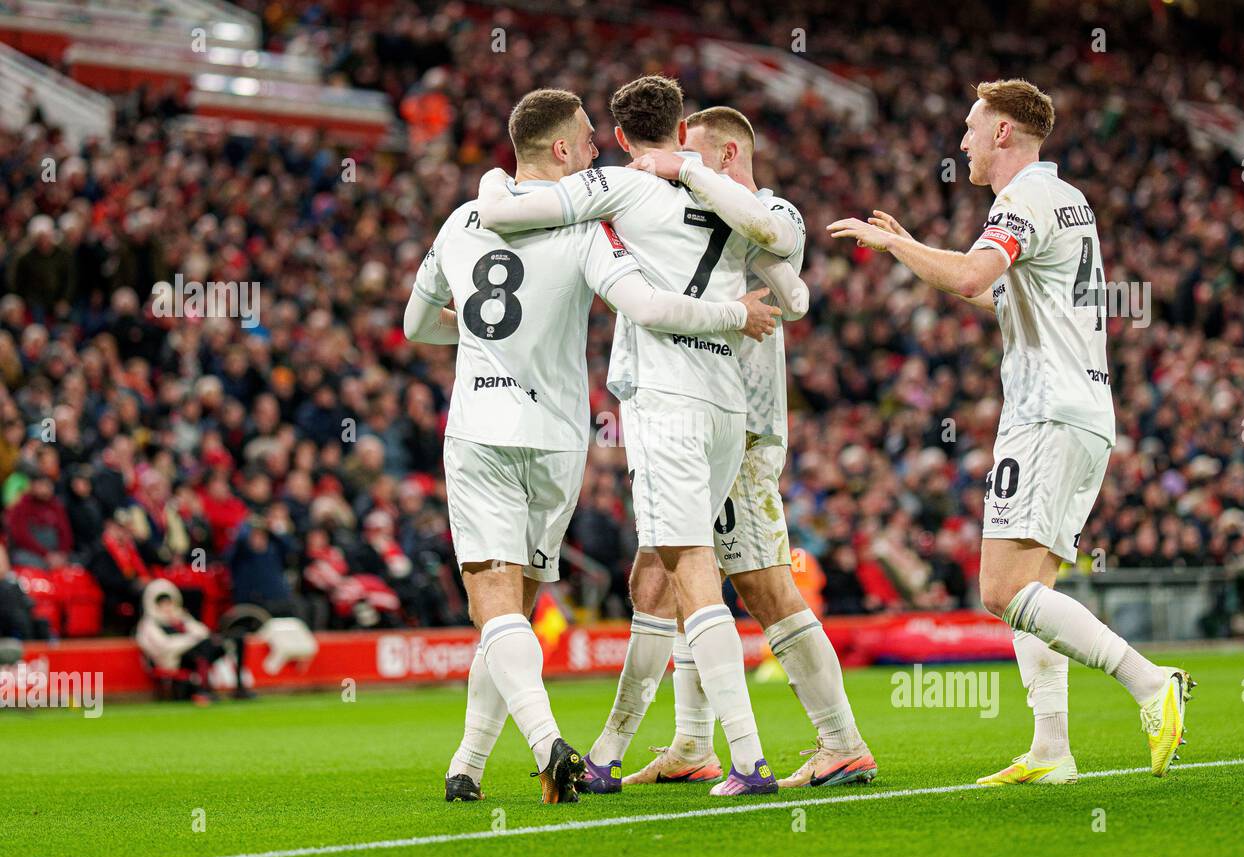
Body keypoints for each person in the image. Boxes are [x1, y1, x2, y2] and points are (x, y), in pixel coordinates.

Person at [409, 87, 779, 804]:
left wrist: (478, 335)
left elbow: (415, 323)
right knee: (514, 603)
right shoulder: (589, 227)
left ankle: (547, 744)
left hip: (479, 429)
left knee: (494, 606)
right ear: (559, 150)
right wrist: (734, 312)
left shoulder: (460, 221)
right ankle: (469, 763)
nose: (594, 149)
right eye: (584, 139)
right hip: (555, 440)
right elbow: (643, 306)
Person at [828, 78, 1191, 782]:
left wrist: (893, 247)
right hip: (1083, 412)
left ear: (1003, 133)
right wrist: (919, 248)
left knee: (1000, 591)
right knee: (1036, 589)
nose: (960, 140)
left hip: (1046, 414)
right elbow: (995, 290)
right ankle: (1053, 749)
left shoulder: (1021, 199)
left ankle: (1151, 683)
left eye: (970, 127)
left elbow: (970, 279)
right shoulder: (1068, 198)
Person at [613, 106, 877, 789]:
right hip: (689, 415)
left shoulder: (764, 209)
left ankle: (841, 741)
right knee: (672, 571)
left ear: (726, 157)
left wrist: (687, 172)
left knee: (762, 582)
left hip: (746, 430)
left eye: (693, 158)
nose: (678, 169)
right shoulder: (705, 218)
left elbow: (795, 289)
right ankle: (691, 743)